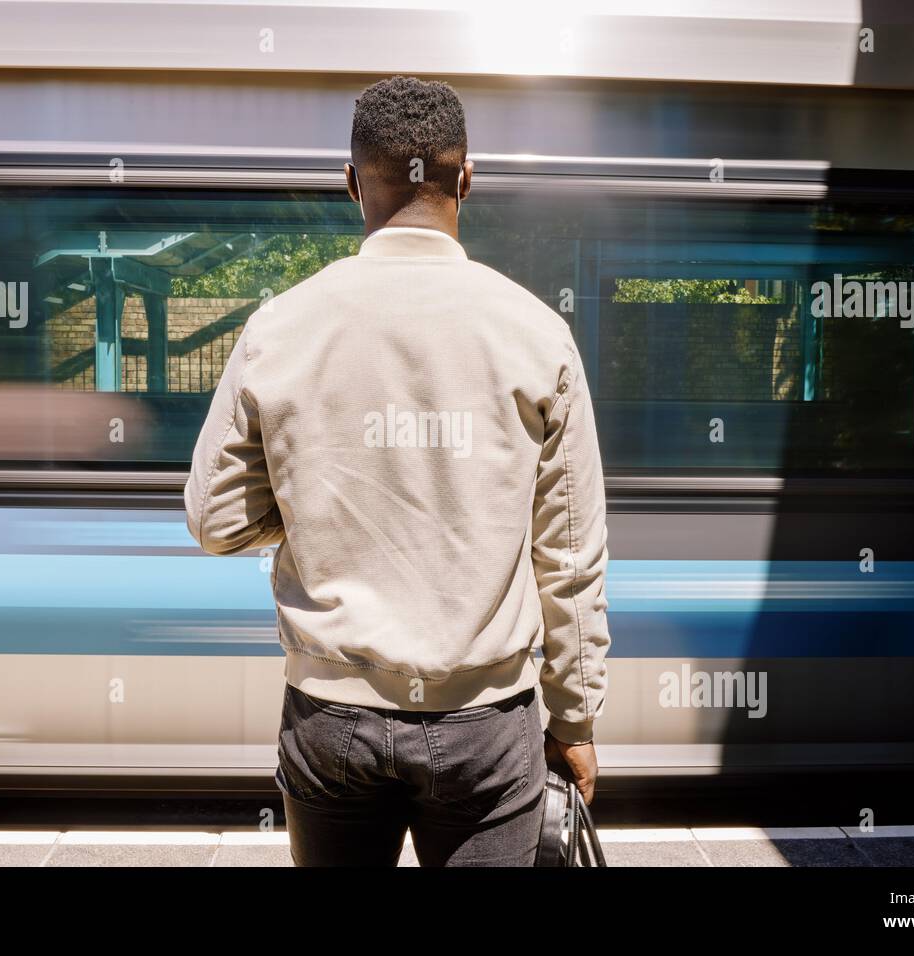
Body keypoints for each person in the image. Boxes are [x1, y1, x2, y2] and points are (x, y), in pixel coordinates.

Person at [185, 75, 610, 866]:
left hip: (329, 717)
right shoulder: (537, 334)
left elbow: (214, 520)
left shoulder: (280, 327)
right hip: (488, 726)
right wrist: (575, 721)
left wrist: (310, 493)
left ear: (352, 184)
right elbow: (570, 558)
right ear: (468, 178)